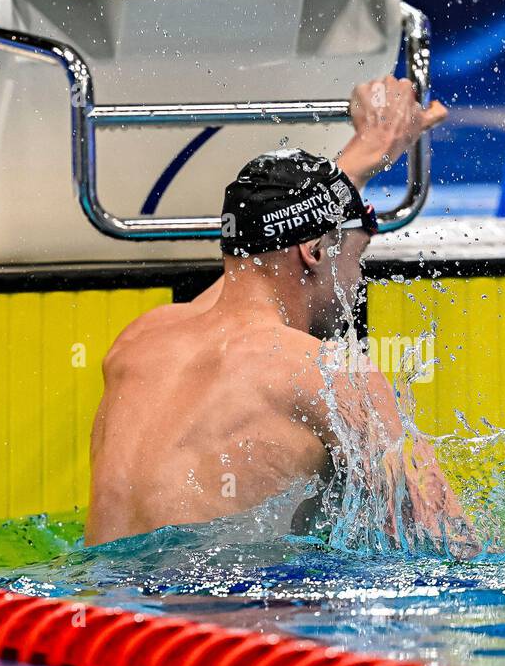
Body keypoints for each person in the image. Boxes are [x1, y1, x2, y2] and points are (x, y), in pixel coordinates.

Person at [86, 77, 476, 552]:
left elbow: (254, 267)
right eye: (357, 254)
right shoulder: (331, 375)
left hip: (102, 611)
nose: (356, 279)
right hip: (225, 620)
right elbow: (442, 540)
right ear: (313, 250)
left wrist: (368, 147)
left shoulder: (140, 341)